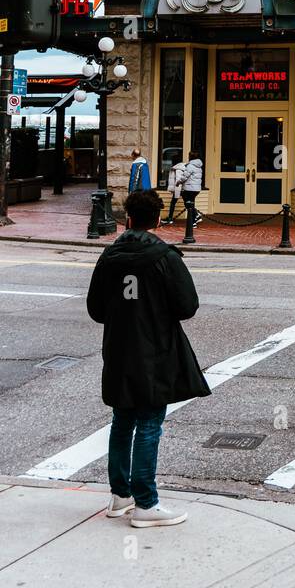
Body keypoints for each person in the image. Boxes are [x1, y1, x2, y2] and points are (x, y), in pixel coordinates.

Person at [86, 188, 211, 527]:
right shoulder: (165, 258)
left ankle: (120, 494)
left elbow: (95, 309)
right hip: (155, 350)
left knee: (122, 420)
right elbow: (188, 307)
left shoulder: (109, 257)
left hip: (119, 348)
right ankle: (146, 503)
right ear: (157, 220)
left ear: (128, 219)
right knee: (150, 424)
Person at [176, 150, 204, 228]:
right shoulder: (199, 166)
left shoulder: (190, 166)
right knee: (191, 204)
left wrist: (178, 182)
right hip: (196, 189)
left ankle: (196, 216)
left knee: (187, 203)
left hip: (189, 188)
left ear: (191, 157)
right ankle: (194, 221)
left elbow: (185, 176)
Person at [161, 157, 185, 226]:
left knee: (185, 203)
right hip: (181, 189)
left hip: (180, 189)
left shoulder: (178, 169)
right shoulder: (179, 168)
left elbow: (178, 180)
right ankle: (170, 218)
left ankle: (170, 218)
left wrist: (177, 192)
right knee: (185, 203)